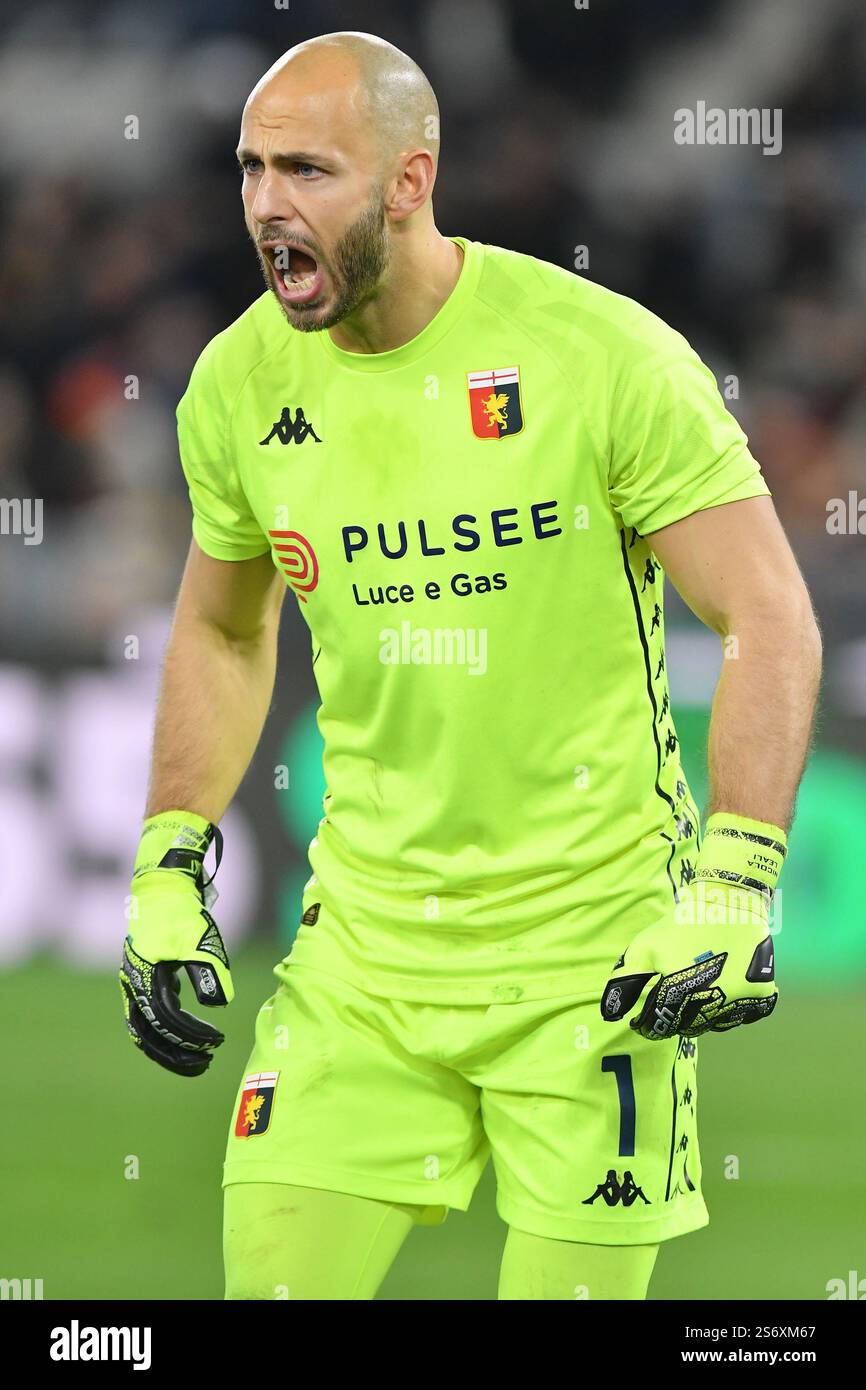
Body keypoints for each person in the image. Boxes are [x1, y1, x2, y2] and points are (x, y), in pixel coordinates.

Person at [118, 31, 822, 1301]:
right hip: (360, 969)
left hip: (596, 970)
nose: (269, 204)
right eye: (250, 168)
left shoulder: (600, 356)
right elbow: (224, 627)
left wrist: (733, 882)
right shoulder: (235, 385)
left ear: (407, 180)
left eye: (308, 170)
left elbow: (769, 614)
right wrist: (170, 858)